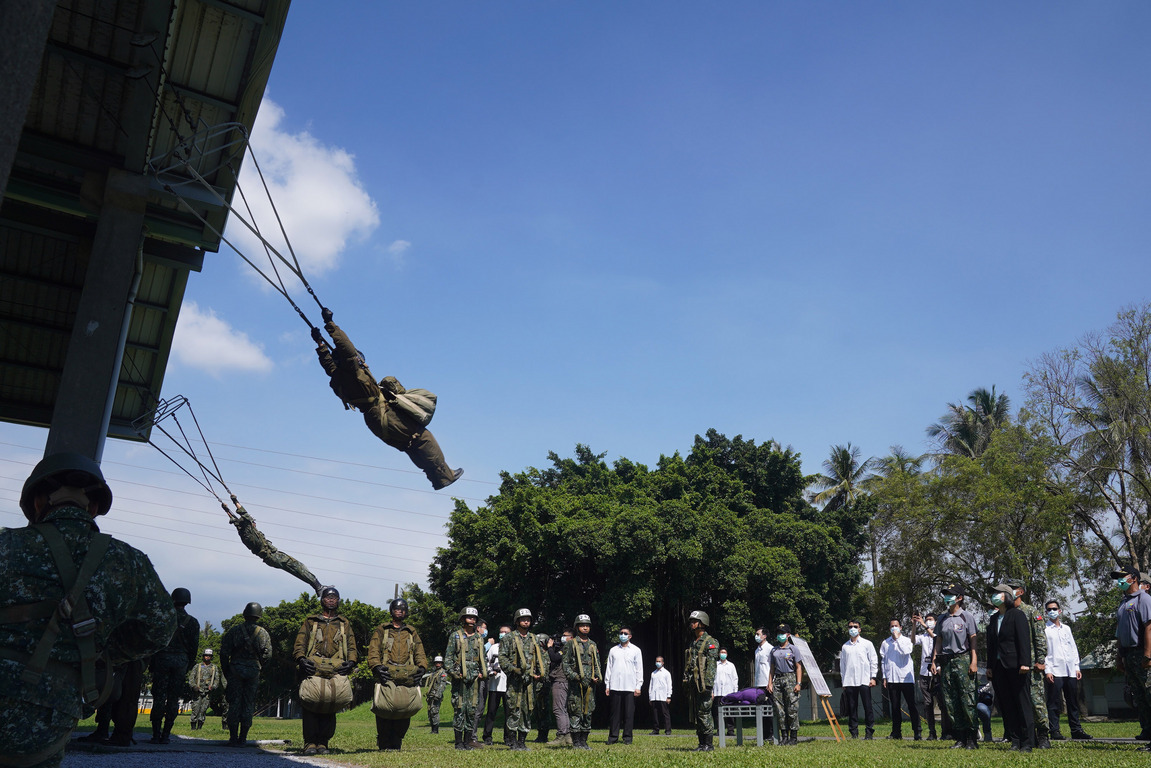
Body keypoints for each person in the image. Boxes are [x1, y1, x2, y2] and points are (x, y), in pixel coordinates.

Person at [0, 453, 176, 768]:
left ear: (38, 502)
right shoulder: (128, 562)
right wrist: (97, 652)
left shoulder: (6, 544)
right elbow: (160, 628)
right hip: (53, 713)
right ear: (94, 507)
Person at [312, 309, 462, 490]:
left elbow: (328, 364)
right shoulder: (351, 370)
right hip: (384, 415)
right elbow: (346, 348)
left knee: (410, 444)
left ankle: (437, 479)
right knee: (423, 438)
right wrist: (330, 324)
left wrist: (320, 344)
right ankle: (444, 476)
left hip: (374, 421)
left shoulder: (337, 378)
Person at [294, 586, 358, 755]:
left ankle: (323, 742)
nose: (331, 599)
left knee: (331, 706)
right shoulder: (311, 621)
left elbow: (351, 646)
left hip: (336, 669)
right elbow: (300, 642)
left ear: (338, 601)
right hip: (313, 668)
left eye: (334, 597)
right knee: (310, 705)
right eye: (328, 597)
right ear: (322, 600)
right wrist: (301, 659)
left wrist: (351, 662)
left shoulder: (344, 623)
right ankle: (309, 743)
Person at [225, 495, 320, 592]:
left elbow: (236, 521)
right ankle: (318, 586)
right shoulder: (250, 531)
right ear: (249, 523)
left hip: (270, 559)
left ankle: (316, 586)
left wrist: (226, 509)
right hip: (273, 556)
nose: (254, 523)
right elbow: (243, 513)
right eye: (253, 522)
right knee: (297, 566)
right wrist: (235, 501)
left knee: (295, 569)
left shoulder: (243, 533)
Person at [367, 597, 425, 751]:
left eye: (402, 609)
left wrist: (422, 667)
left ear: (406, 612)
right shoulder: (382, 629)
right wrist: (376, 667)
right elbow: (373, 650)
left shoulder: (411, 632)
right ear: (391, 611)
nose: (399, 611)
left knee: (404, 710)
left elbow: (419, 652)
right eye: (396, 609)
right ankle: (384, 740)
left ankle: (397, 739)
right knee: (384, 709)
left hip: (407, 676)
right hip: (387, 674)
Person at [929, 584, 979, 750]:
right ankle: (960, 737)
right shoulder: (942, 618)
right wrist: (934, 661)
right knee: (951, 701)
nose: (947, 598)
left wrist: (974, 661)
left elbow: (973, 639)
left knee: (967, 700)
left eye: (951, 595)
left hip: (963, 659)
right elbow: (939, 641)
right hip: (947, 662)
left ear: (959, 598)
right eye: (945, 594)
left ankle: (972, 738)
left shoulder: (966, 617)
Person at [986, 582, 1034, 752]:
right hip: (999, 668)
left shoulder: (1017, 615)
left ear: (1006, 596)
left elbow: (1024, 641)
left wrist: (1025, 663)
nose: (994, 596)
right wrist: (990, 666)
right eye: (992, 594)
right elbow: (991, 645)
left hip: (1017, 666)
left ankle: (1027, 742)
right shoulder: (993, 618)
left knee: (1022, 703)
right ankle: (1015, 740)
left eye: (997, 593)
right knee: (1007, 705)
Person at [149, 587, 199, 744]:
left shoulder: (163, 618)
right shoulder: (192, 622)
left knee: (158, 697)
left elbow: (154, 641)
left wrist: (152, 662)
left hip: (162, 659)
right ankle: (166, 735)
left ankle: (156, 734)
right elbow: (194, 647)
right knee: (173, 698)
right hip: (181, 662)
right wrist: (188, 664)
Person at [1005, 578, 1050, 749]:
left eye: (1012, 588)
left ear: (1020, 591)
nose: (1009, 591)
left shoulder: (1030, 611)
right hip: (1013, 667)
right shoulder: (1005, 613)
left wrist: (1040, 660)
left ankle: (1044, 735)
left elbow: (1039, 637)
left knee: (1036, 701)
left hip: (1031, 665)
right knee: (1018, 704)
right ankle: (1025, 737)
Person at [220, 601, 272, 746]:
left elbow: (224, 653)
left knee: (234, 703)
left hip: (235, 670)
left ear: (245, 614)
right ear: (259, 615)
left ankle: (232, 737)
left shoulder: (234, 630)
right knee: (248, 704)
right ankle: (243, 738)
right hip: (253, 671)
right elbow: (268, 655)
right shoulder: (263, 633)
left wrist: (227, 671)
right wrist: (260, 668)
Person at [1113, 566, 1151, 752]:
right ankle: (1147, 730)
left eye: (1122, 577)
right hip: (1128, 654)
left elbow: (1149, 627)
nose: (1119, 580)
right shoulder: (1123, 602)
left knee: (1149, 694)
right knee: (1140, 695)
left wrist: (1148, 654)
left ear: (1134, 578)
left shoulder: (1144, 598)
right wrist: (1119, 657)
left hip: (1141, 652)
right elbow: (1119, 633)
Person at [1043, 599, 1091, 740]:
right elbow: (1044, 651)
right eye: (1049, 609)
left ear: (1060, 610)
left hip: (1069, 670)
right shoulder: (1045, 630)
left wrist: (1077, 666)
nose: (1052, 611)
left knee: (1073, 702)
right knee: (1054, 703)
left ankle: (1076, 730)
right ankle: (1055, 731)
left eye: (1054, 608)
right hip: (1054, 670)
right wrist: (1048, 670)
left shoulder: (1066, 628)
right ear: (1046, 612)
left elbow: (1073, 648)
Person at [499, 609, 547, 750]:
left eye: (528, 619)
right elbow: (502, 657)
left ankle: (522, 741)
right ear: (517, 621)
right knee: (514, 710)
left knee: (527, 711)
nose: (526, 621)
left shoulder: (534, 638)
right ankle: (512, 741)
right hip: (515, 681)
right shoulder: (509, 638)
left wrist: (540, 673)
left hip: (530, 682)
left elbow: (540, 658)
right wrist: (513, 670)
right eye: (523, 619)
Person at [444, 606, 487, 750]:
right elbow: (448, 659)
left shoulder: (479, 638)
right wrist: (454, 674)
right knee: (459, 708)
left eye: (474, 618)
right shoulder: (455, 636)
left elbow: (483, 659)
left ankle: (468, 741)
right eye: (469, 617)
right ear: (463, 619)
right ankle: (458, 742)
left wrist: (483, 672)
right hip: (459, 679)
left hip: (474, 679)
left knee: (472, 709)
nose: (472, 620)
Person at [562, 613, 602, 750]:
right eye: (582, 625)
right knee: (575, 712)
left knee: (588, 711)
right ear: (577, 627)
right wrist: (574, 676)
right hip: (576, 684)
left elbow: (597, 664)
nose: (585, 628)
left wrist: (597, 677)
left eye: (587, 625)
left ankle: (584, 741)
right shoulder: (570, 644)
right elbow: (565, 664)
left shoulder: (592, 644)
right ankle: (576, 742)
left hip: (590, 685)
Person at [683, 609, 719, 752]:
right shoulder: (693, 643)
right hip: (694, 683)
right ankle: (701, 743)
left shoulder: (710, 642)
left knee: (704, 712)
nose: (692, 624)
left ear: (702, 623)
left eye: (694, 621)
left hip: (704, 684)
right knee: (697, 714)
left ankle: (708, 744)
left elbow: (711, 665)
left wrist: (708, 685)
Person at [880, 618, 920, 740]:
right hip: (892, 678)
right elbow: (883, 661)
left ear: (901, 627)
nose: (894, 628)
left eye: (896, 626)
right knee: (895, 707)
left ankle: (917, 731)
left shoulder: (906, 641)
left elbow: (906, 651)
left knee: (911, 705)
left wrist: (897, 639)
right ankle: (896, 732)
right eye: (892, 626)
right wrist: (884, 677)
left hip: (906, 679)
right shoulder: (885, 643)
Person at [604, 626, 644, 744]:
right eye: (621, 633)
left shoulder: (636, 650)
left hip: (630, 686)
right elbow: (609, 668)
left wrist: (639, 686)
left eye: (625, 633)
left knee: (629, 714)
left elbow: (639, 669)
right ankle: (613, 737)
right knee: (614, 714)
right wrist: (607, 685)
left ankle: (627, 737)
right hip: (615, 685)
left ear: (630, 636)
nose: (622, 635)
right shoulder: (613, 650)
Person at [839, 619, 877, 739]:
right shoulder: (845, 646)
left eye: (855, 626)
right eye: (850, 626)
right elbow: (842, 665)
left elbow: (873, 660)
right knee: (852, 707)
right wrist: (843, 681)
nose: (853, 628)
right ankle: (854, 732)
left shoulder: (867, 644)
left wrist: (873, 677)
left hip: (864, 679)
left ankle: (869, 731)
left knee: (867, 706)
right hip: (849, 681)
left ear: (860, 629)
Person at [767, 625, 803, 746]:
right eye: (778, 633)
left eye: (782, 633)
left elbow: (798, 667)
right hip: (778, 679)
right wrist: (770, 682)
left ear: (788, 635)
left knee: (792, 708)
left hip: (790, 678)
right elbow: (772, 668)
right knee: (779, 709)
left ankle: (793, 737)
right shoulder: (774, 650)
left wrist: (798, 683)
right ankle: (784, 736)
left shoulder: (793, 649)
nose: (780, 635)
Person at [912, 613, 944, 740]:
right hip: (924, 673)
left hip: (937, 673)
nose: (927, 622)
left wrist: (924, 625)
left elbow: (935, 638)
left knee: (942, 703)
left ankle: (946, 731)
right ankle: (932, 732)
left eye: (930, 620)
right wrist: (914, 625)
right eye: (926, 620)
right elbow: (913, 640)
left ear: (935, 622)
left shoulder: (938, 635)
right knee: (928, 703)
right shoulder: (924, 637)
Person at [546, 628, 574, 746]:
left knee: (558, 709)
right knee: (563, 709)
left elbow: (555, 658)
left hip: (560, 680)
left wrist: (549, 647)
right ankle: (567, 737)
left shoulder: (567, 648)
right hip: (565, 681)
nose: (563, 638)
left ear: (571, 638)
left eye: (565, 635)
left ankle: (561, 735)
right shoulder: (572, 648)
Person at [481, 625, 508, 745]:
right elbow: (486, 662)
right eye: (501, 632)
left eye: (506, 632)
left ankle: (508, 738)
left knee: (509, 713)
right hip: (494, 685)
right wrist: (490, 671)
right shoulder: (493, 648)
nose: (503, 634)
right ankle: (487, 736)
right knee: (491, 712)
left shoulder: (515, 648)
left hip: (509, 686)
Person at [187, 649, 223, 731]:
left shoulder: (214, 667)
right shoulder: (197, 666)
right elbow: (191, 678)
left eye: (209, 656)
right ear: (203, 656)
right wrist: (194, 686)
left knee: (203, 710)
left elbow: (217, 680)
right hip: (197, 692)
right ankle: (193, 727)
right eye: (206, 655)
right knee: (195, 710)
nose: (207, 657)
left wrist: (213, 687)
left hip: (207, 693)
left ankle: (199, 727)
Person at [712, 647, 738, 737]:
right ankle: (720, 730)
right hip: (718, 692)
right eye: (721, 652)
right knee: (718, 713)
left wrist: (735, 692)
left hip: (729, 692)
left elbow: (735, 679)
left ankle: (730, 730)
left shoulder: (731, 665)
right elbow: (712, 679)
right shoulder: (715, 665)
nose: (723, 654)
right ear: (719, 654)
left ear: (727, 654)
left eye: (724, 652)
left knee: (730, 712)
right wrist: (712, 692)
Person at [424, 656, 449, 734]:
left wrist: (437, 695)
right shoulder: (433, 672)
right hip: (431, 695)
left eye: (439, 663)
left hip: (436, 695)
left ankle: (435, 729)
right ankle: (432, 728)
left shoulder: (443, 673)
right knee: (430, 712)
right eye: (436, 663)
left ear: (441, 663)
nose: (437, 664)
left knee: (434, 712)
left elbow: (442, 685)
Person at [648, 656, 673, 735]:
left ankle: (668, 729)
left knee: (665, 713)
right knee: (655, 714)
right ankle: (656, 729)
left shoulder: (666, 673)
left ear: (663, 663)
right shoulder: (653, 673)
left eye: (659, 661)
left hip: (663, 696)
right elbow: (651, 686)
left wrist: (669, 696)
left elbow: (669, 685)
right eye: (657, 661)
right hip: (654, 696)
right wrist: (650, 697)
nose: (658, 663)